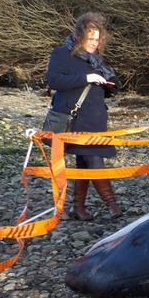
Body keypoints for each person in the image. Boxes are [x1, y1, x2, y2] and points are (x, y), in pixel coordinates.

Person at [46, 12, 123, 220]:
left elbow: (103, 86)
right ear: (78, 36)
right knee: (94, 159)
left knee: (84, 162)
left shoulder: (96, 59)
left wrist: (110, 85)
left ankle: (77, 207)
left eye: (97, 39)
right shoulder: (62, 53)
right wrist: (86, 78)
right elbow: (53, 80)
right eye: (90, 39)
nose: (94, 43)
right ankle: (112, 205)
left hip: (96, 117)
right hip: (75, 118)